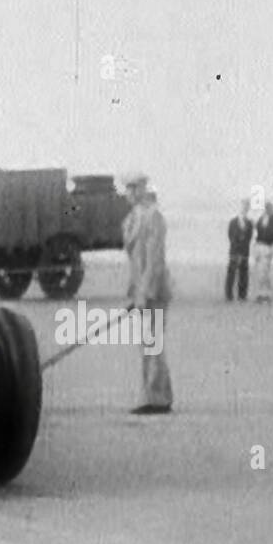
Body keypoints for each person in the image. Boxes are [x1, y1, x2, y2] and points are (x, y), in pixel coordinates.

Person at [122, 172, 173, 415]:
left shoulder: (154, 218)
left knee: (152, 343)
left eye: (133, 189)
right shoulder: (132, 218)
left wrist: (144, 293)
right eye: (127, 189)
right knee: (149, 343)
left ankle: (157, 399)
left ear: (142, 190)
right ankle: (158, 395)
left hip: (155, 291)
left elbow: (154, 261)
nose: (129, 194)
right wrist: (134, 293)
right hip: (141, 291)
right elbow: (135, 261)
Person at [225, 198, 253, 301]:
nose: (245, 209)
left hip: (245, 251)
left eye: (247, 207)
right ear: (240, 208)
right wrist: (237, 252)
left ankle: (242, 295)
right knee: (231, 274)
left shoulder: (249, 223)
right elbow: (231, 236)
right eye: (243, 206)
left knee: (244, 274)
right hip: (234, 252)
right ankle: (229, 295)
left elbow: (249, 238)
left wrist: (243, 252)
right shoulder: (233, 222)